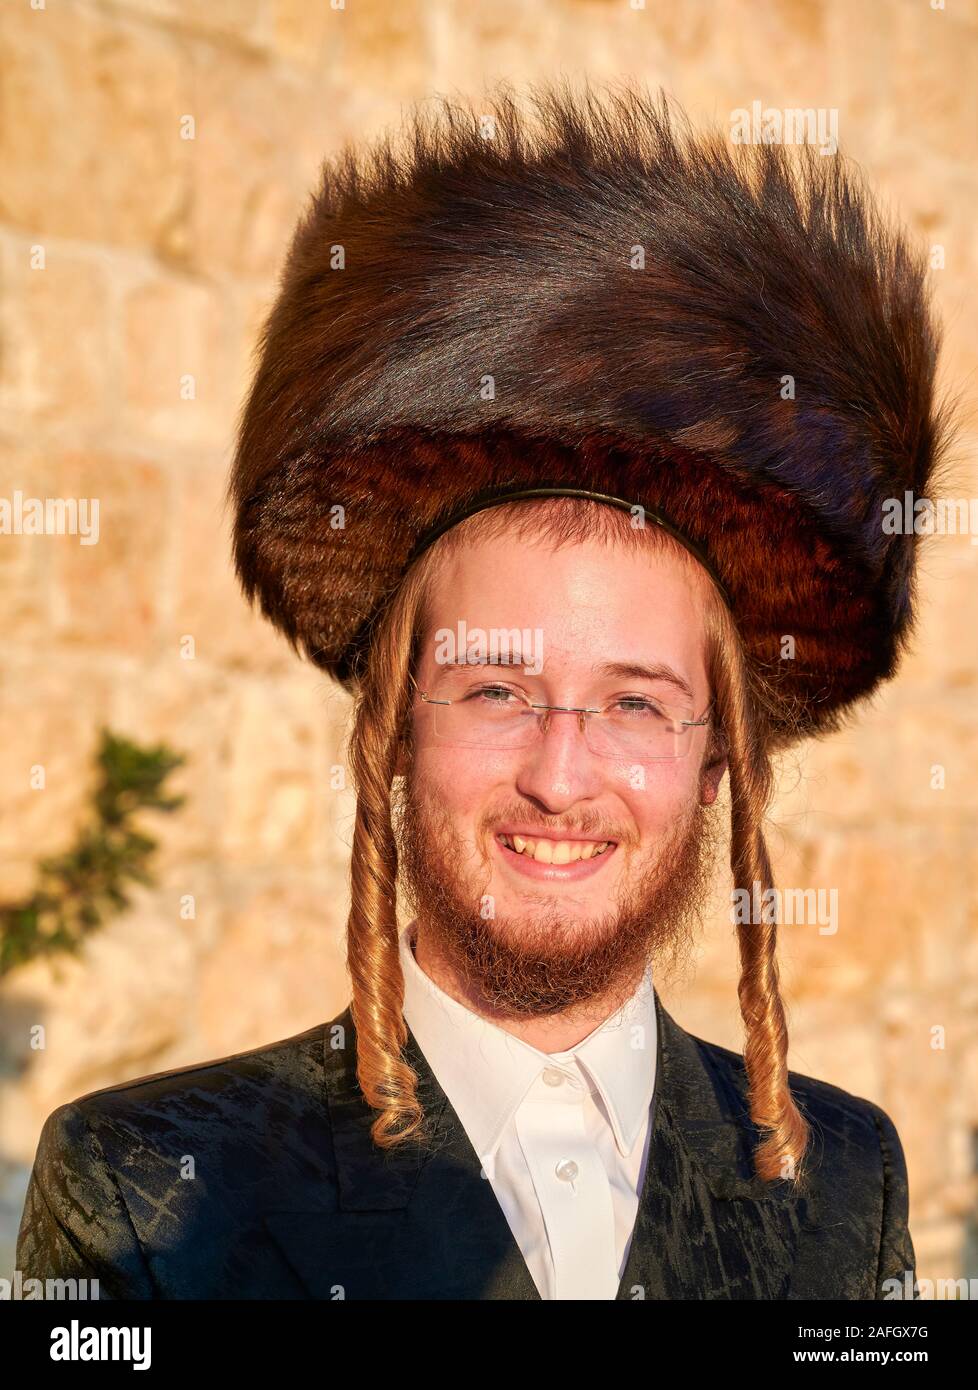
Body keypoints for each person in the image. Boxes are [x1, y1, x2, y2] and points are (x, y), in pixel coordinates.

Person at [17, 80, 957, 1299]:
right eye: (498, 689)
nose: (560, 777)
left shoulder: (845, 1186)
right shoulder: (147, 1192)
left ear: (719, 755)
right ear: (396, 723)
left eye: (633, 701)